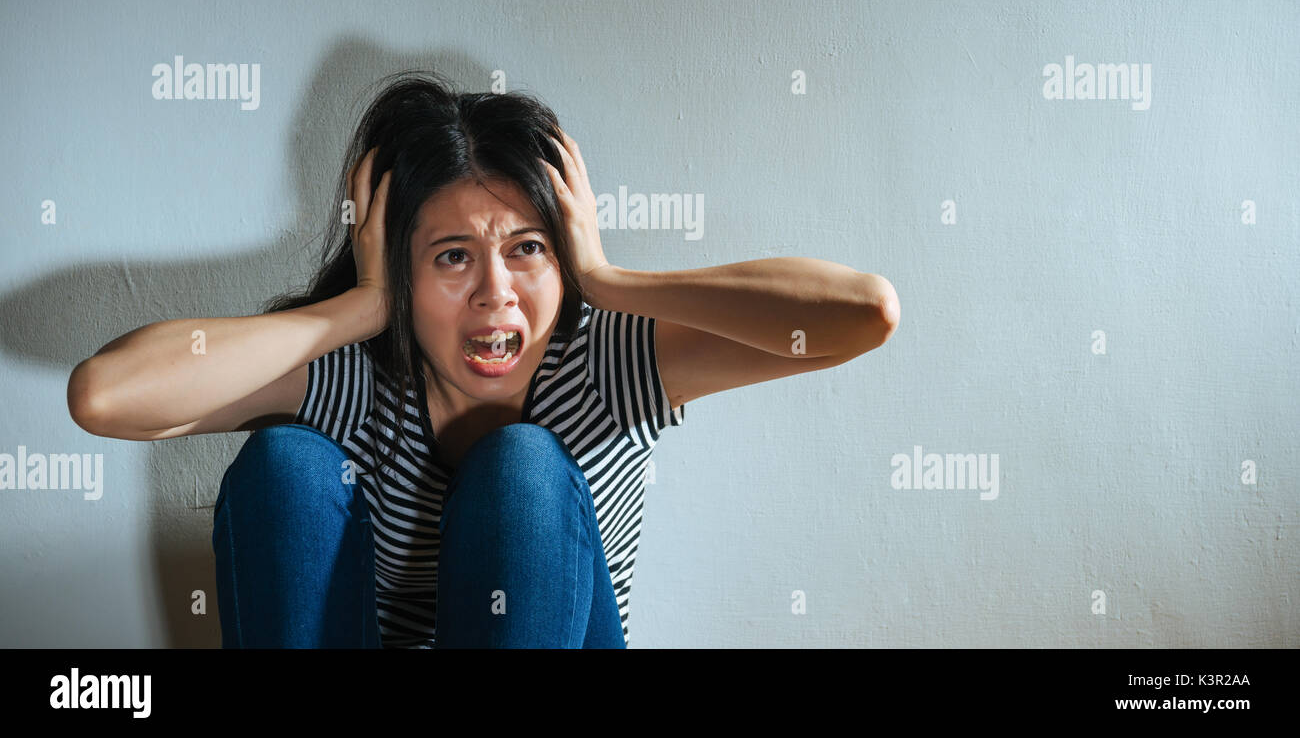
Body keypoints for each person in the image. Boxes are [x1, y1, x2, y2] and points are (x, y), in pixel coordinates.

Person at [67, 69, 901, 648]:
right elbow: (104, 396)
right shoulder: (356, 379)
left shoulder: (601, 367)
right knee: (283, 462)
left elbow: (861, 314)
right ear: (401, 270)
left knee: (521, 467)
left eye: (528, 248)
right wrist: (355, 310)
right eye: (452, 256)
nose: (496, 292)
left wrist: (610, 278)